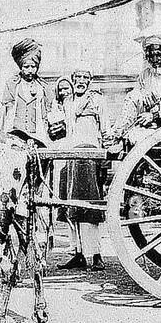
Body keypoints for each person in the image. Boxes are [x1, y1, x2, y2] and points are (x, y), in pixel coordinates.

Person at [56, 69, 105, 272]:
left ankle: (95, 255)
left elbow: (105, 126)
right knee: (70, 205)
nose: (81, 82)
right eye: (78, 78)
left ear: (90, 81)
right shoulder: (68, 102)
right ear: (73, 80)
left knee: (88, 204)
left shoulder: (96, 101)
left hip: (89, 152)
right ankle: (78, 252)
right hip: (70, 153)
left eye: (85, 78)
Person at [113, 34, 161, 145]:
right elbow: (134, 99)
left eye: (158, 55)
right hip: (148, 122)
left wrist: (154, 115)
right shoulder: (146, 74)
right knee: (134, 95)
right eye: (151, 56)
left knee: (135, 138)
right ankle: (117, 134)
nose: (155, 60)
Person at [1, 38, 53, 143]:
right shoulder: (12, 85)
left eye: (33, 67)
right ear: (21, 67)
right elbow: (6, 111)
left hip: (38, 135)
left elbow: (49, 111)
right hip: (15, 134)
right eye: (26, 67)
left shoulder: (43, 87)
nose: (30, 70)